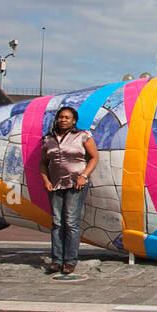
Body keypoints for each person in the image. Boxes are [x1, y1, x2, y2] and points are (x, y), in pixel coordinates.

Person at [39, 105, 98, 275]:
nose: (63, 120)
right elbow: (43, 163)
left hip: (75, 183)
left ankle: (70, 261)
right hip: (55, 184)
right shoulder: (48, 139)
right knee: (57, 222)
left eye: (67, 117)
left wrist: (84, 175)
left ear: (74, 121)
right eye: (61, 117)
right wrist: (45, 180)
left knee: (71, 222)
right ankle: (57, 260)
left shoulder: (83, 136)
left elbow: (94, 157)